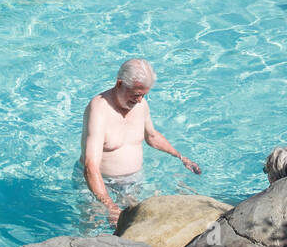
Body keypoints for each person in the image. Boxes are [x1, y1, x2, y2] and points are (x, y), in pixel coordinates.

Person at [79, 58, 200, 226]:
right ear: (119, 83)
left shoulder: (141, 105)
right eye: (136, 94)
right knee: (91, 227)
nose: (140, 100)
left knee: (137, 227)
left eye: (144, 94)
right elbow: (90, 166)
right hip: (99, 184)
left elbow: (151, 136)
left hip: (131, 182)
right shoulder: (99, 110)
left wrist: (181, 157)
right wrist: (109, 205)